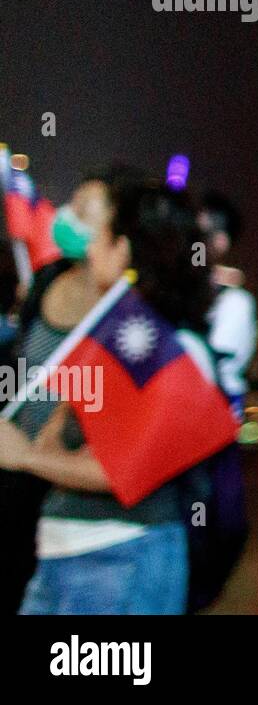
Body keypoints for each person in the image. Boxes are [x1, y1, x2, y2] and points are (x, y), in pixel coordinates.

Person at [0, 180, 218, 615]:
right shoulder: (106, 334)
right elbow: (66, 437)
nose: (88, 247)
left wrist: (24, 457)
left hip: (122, 560)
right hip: (62, 554)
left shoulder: (173, 349)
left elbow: (130, 467)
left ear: (126, 250)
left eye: (101, 234)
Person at [0, 163, 143, 613]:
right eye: (71, 205)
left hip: (66, 475)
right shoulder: (45, 279)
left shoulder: (127, 310)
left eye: (84, 211)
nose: (67, 217)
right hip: (11, 463)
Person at [198, 190, 257, 410]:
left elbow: (210, 367)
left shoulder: (235, 303)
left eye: (196, 236)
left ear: (220, 242)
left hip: (214, 416)